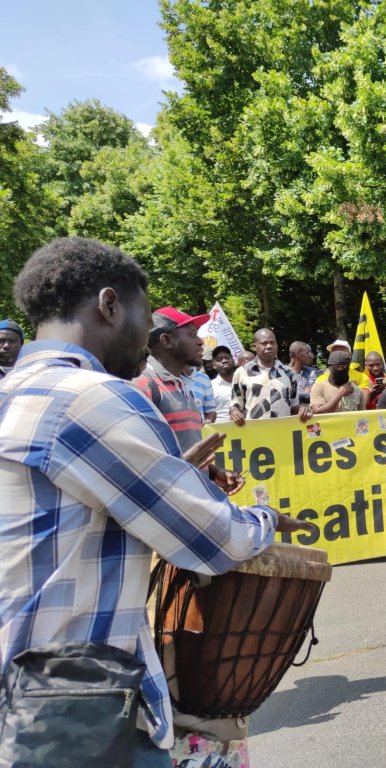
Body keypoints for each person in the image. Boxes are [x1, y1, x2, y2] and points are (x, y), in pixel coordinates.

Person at [0, 236, 311, 765]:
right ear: (109, 304)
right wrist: (261, 519)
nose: (147, 335)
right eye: (146, 315)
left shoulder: (14, 393)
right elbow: (217, 540)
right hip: (69, 703)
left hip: (24, 691)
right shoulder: (90, 398)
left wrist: (171, 480)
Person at [133, 307, 210, 451]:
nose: (201, 341)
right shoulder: (143, 384)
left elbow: (187, 450)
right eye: (192, 334)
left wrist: (213, 472)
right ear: (166, 340)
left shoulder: (184, 387)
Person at [229, 329, 314, 425]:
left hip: (282, 431)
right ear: (254, 347)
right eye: (264, 343)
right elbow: (235, 405)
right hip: (253, 433)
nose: (269, 346)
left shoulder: (288, 373)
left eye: (272, 343)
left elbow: (294, 406)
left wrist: (303, 408)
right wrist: (234, 412)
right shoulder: (242, 372)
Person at [310, 349, 366, 413]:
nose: (340, 370)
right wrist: (340, 394)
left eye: (343, 367)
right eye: (337, 367)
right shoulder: (319, 386)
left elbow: (362, 417)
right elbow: (317, 411)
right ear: (330, 367)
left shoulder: (356, 390)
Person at [209, 345, 237, 422]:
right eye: (219, 359)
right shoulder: (210, 386)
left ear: (233, 361)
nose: (224, 361)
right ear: (214, 365)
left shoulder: (244, 382)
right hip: (220, 431)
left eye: (227, 357)